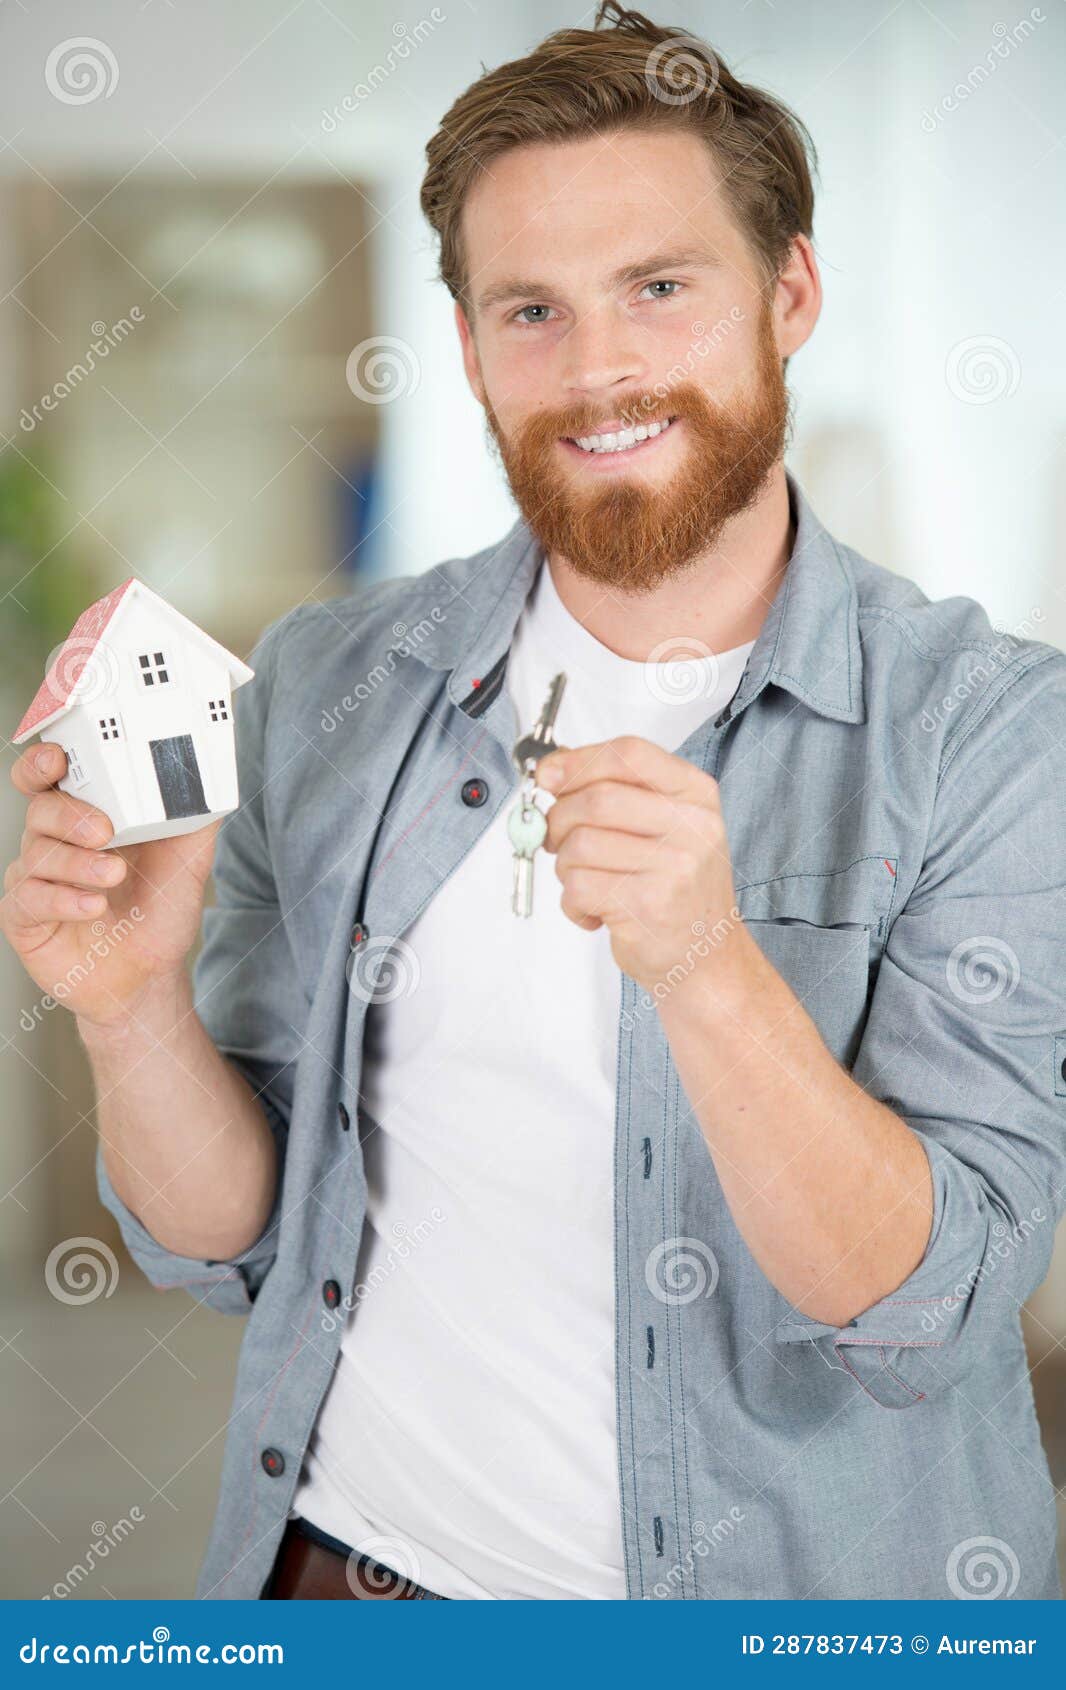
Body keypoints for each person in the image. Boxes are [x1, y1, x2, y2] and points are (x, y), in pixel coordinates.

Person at [4, 3, 1065, 1602]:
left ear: (790, 293)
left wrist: (710, 970)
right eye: (531, 311)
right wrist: (129, 1006)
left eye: (658, 286)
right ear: (467, 346)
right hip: (344, 1588)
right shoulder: (330, 677)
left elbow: (926, 1314)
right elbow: (225, 1245)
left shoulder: (990, 732)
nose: (600, 368)